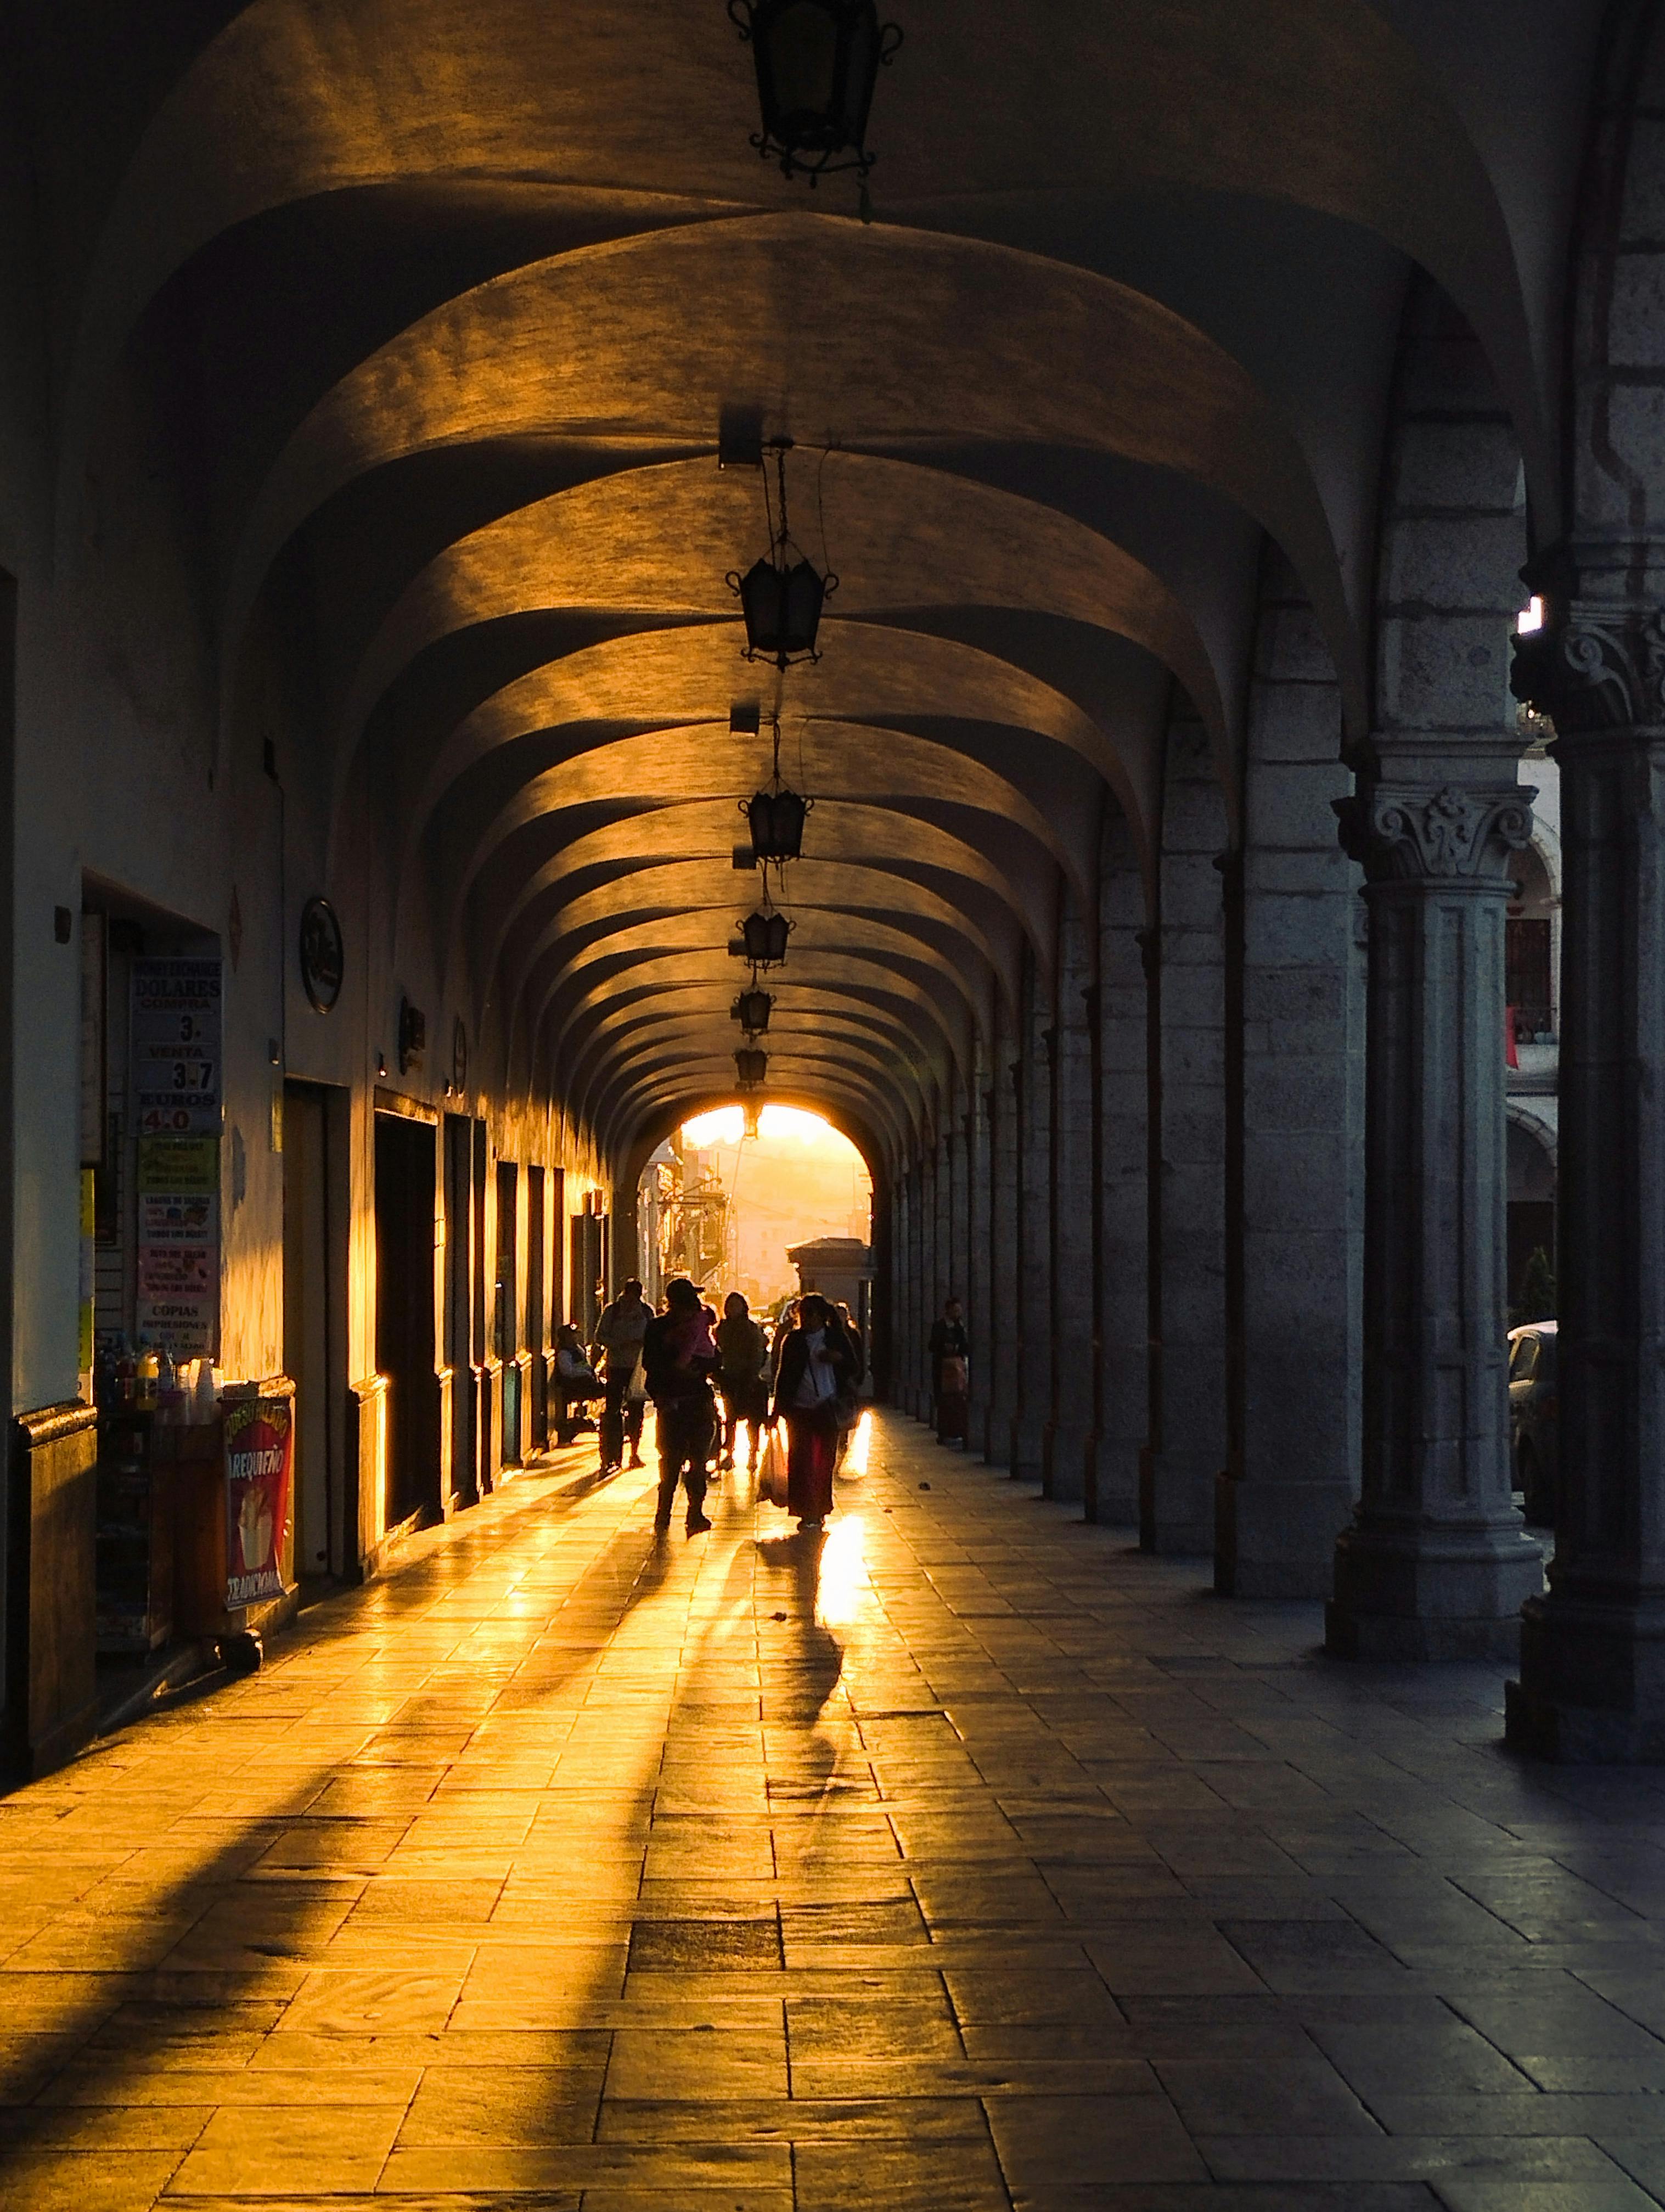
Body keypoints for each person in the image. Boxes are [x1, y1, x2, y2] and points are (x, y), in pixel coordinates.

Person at [769, 1293, 859, 1533]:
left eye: (811, 1314)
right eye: (802, 1314)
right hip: (799, 1407)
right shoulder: (794, 1340)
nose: (806, 1319)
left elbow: (854, 1367)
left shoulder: (835, 1338)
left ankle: (820, 1507)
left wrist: (836, 1358)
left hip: (827, 1405)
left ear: (822, 1316)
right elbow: (784, 1375)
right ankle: (804, 1509)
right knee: (801, 1461)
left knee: (823, 1461)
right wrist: (777, 1410)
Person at [640, 1277, 719, 1536]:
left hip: (674, 1401)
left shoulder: (657, 1328)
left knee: (673, 1461)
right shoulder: (681, 1326)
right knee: (694, 1460)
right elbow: (716, 1360)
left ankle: (668, 1513)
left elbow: (650, 1364)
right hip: (692, 1399)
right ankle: (692, 1513)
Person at [594, 1276, 650, 1472]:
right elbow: (599, 1336)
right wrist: (620, 1344)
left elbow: (653, 1337)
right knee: (613, 1411)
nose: (633, 1300)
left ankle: (633, 1452)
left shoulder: (646, 1311)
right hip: (617, 1366)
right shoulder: (613, 1311)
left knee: (636, 1410)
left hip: (638, 1369)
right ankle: (612, 1454)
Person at [715, 1292, 769, 1472]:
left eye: (736, 1306)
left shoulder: (751, 1328)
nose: (733, 1309)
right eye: (730, 1306)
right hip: (729, 1378)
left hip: (749, 1379)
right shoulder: (722, 1328)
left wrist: (752, 1375)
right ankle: (729, 1453)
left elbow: (758, 1353)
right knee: (730, 1419)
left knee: (753, 1421)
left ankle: (753, 1454)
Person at [929, 1296, 970, 1445]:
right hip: (942, 1368)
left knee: (958, 1400)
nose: (958, 1313)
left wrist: (957, 1348)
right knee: (943, 1400)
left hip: (957, 1369)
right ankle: (944, 1432)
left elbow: (966, 1347)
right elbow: (932, 1346)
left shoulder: (960, 1327)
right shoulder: (939, 1326)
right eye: (955, 1310)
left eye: (959, 1310)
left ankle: (957, 1431)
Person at [553, 1322, 600, 1446]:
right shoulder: (564, 1353)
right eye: (572, 1336)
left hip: (585, 1381)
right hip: (575, 1385)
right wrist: (585, 1372)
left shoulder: (578, 1349)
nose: (575, 1338)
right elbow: (568, 1372)